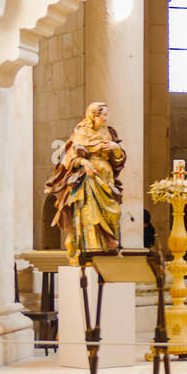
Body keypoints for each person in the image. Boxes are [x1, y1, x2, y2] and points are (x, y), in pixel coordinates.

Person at [44, 101, 126, 263]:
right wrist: (84, 162)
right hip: (89, 181)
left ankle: (110, 250)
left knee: (114, 212)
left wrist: (116, 148)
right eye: (104, 114)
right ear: (94, 115)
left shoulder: (109, 133)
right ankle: (91, 253)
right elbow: (68, 157)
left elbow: (118, 160)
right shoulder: (81, 132)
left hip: (107, 180)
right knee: (89, 216)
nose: (106, 117)